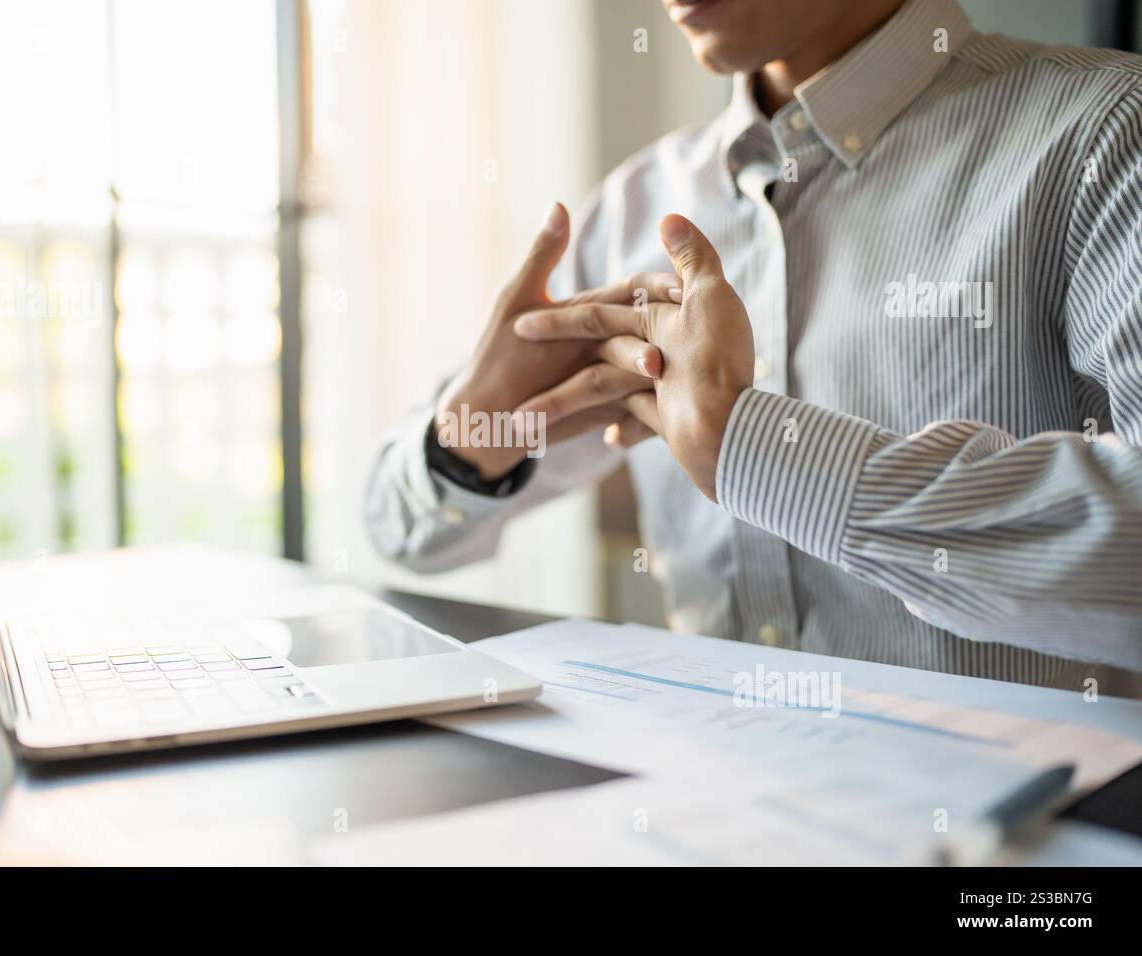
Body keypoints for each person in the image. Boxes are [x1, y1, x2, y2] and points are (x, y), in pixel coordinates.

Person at [365, 0, 1142, 694]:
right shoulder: (636, 207)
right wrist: (471, 435)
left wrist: (753, 451)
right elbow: (403, 533)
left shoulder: (1105, 133)